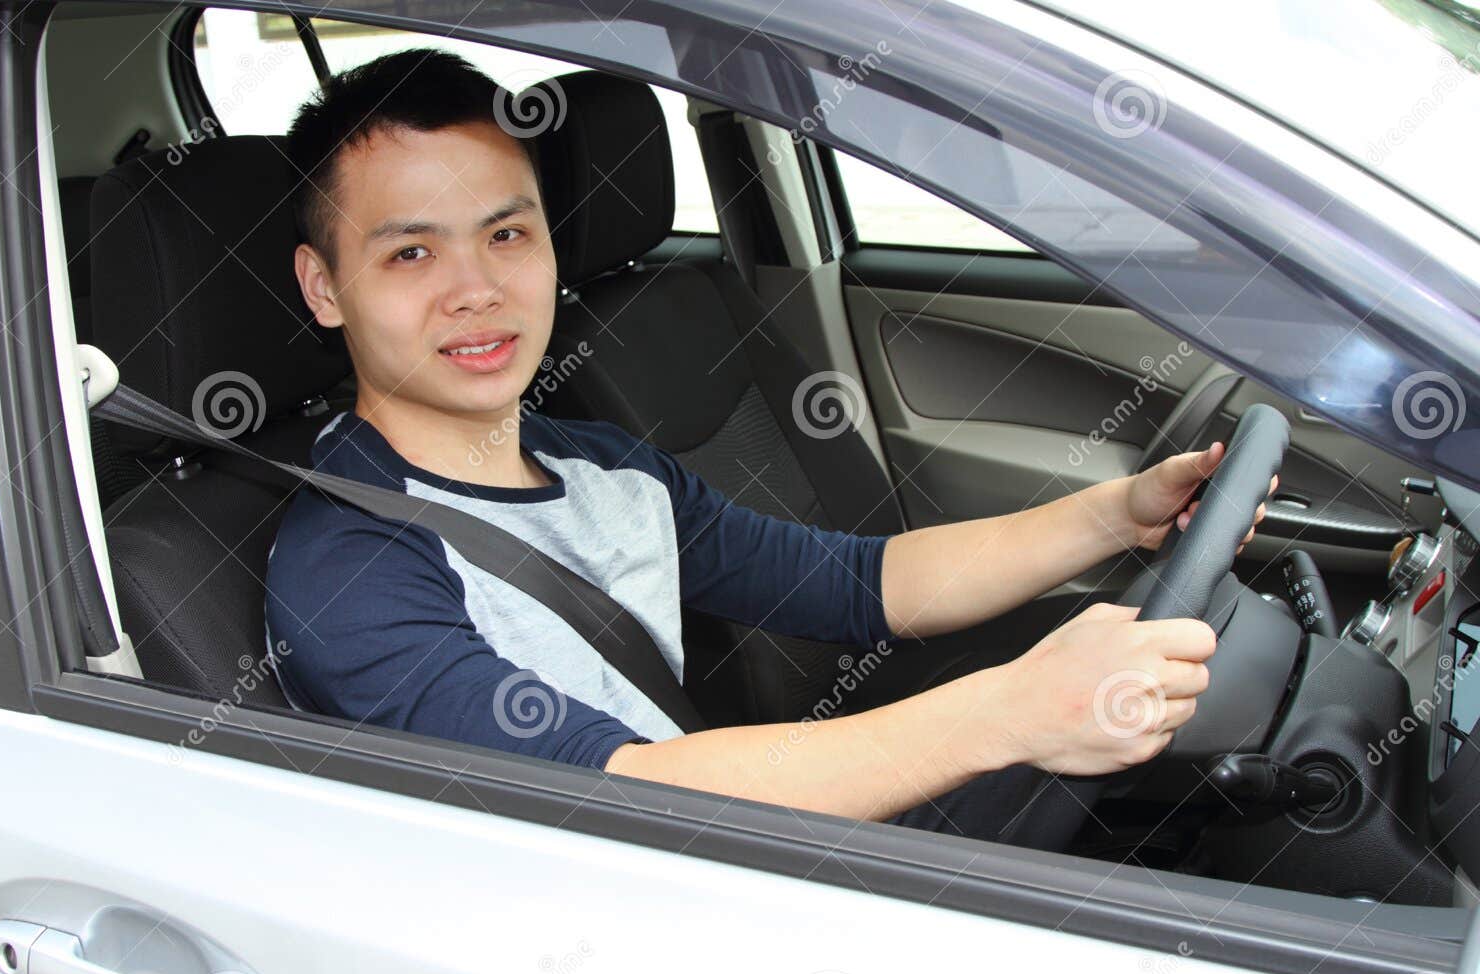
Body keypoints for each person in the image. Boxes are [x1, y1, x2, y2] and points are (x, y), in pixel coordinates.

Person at [265, 48, 1270, 851]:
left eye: (506, 234)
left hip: (727, 843)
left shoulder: (597, 463)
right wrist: (1008, 712)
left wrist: (1111, 515)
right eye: (410, 251)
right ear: (322, 287)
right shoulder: (348, 567)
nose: (475, 287)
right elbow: (614, 795)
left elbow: (851, 583)